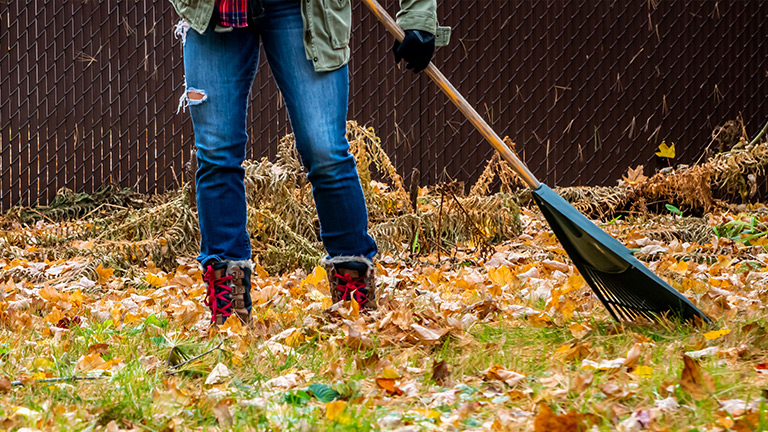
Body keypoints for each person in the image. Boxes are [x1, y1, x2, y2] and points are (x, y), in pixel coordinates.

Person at [170, 0, 450, 326]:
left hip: (304, 10)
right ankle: (229, 317)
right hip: (215, 9)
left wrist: (418, 16)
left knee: (325, 151)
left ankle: (354, 306)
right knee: (216, 155)